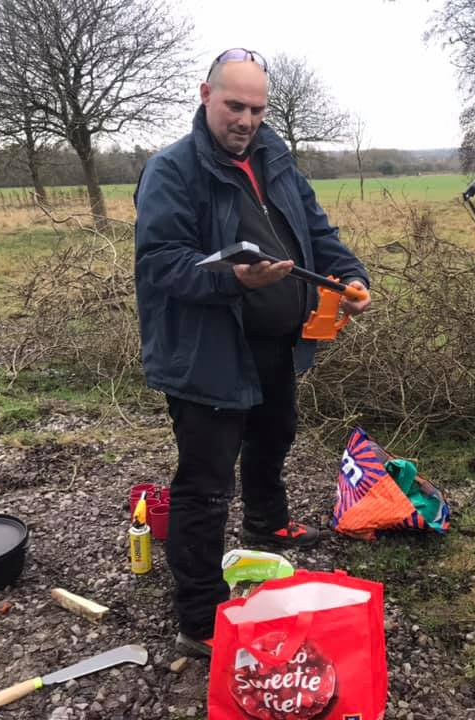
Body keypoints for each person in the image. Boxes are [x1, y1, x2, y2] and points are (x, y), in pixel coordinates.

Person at [133, 48, 370, 656]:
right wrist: (234, 280)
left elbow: (318, 233)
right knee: (205, 484)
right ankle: (199, 619)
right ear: (205, 94)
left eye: (257, 109)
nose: (245, 120)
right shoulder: (172, 170)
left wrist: (349, 274)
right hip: (206, 352)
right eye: (234, 105)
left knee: (273, 436)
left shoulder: (276, 159)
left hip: (275, 345)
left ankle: (266, 526)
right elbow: (161, 265)